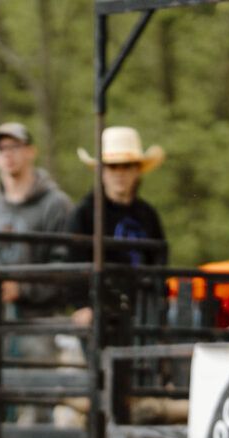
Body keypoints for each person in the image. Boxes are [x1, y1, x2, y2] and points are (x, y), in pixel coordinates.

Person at [65, 126, 168, 326]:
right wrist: (82, 305)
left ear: (138, 170)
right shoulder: (86, 213)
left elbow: (159, 262)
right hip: (101, 312)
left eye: (126, 166)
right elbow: (73, 262)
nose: (119, 174)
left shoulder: (148, 215)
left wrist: (160, 299)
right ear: (101, 172)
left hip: (144, 310)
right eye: (113, 167)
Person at [0, 122, 75, 321]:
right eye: (1, 149)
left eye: (14, 147)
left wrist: (22, 289)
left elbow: (65, 268)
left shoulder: (56, 204)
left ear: (30, 151)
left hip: (42, 318)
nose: (7, 154)